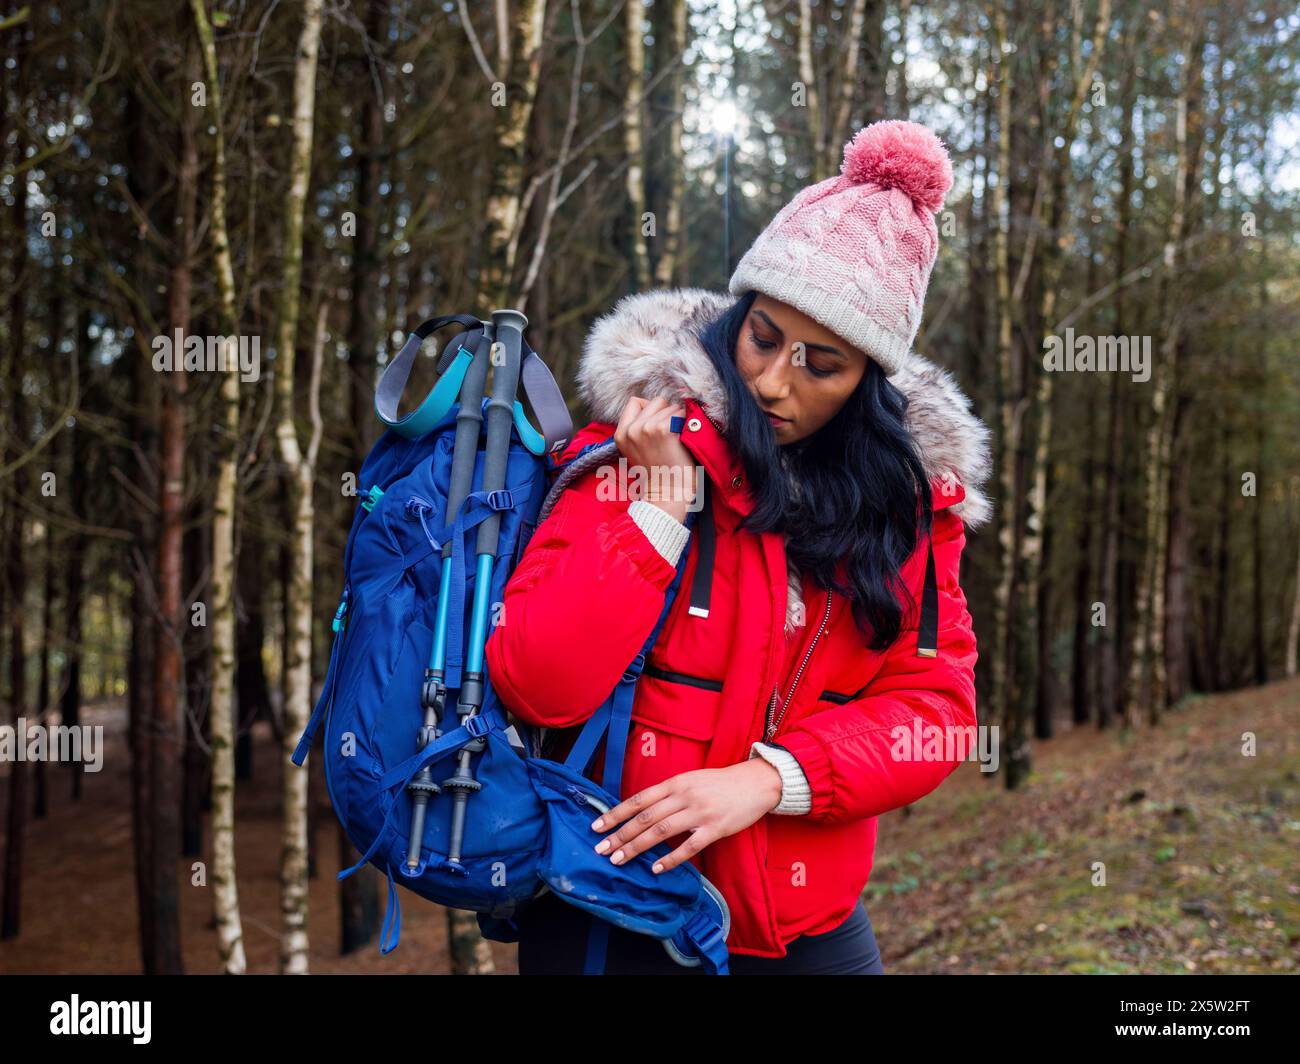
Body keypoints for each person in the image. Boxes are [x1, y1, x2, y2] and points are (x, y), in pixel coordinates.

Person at [484, 119, 993, 974]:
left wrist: (769, 780)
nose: (771, 380)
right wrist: (662, 507)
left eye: (819, 363)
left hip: (809, 928)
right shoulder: (640, 443)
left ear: (870, 378)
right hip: (613, 911)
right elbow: (537, 682)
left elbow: (935, 713)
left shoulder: (907, 509)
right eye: (763, 337)